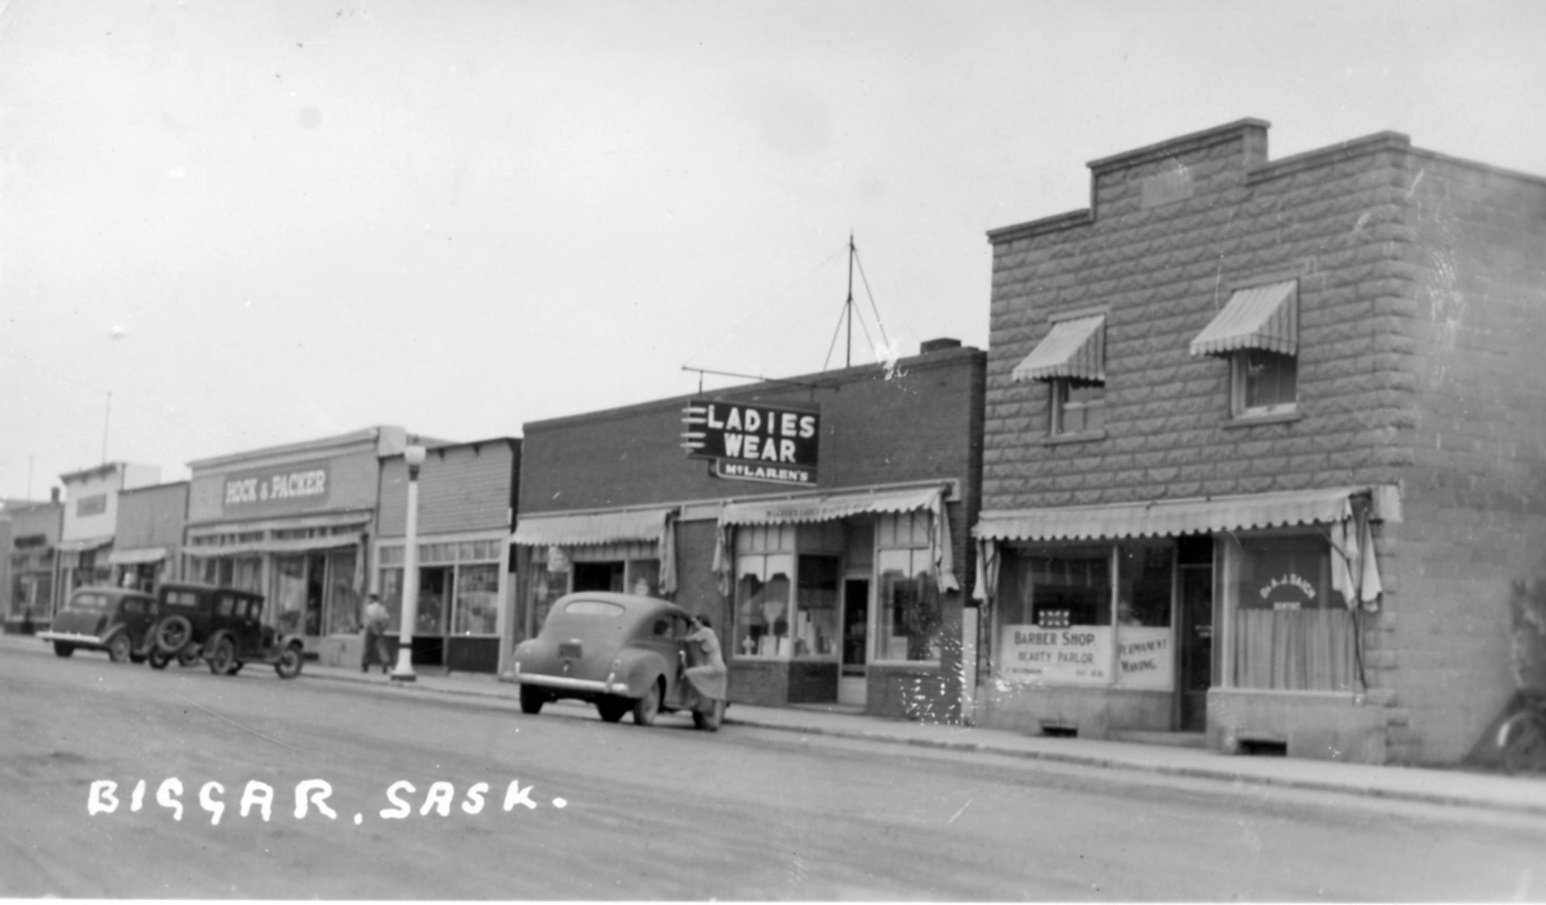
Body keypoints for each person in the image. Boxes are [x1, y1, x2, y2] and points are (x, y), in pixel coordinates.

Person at [683, 614, 727, 704]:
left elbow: (687, 640)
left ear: (701, 621)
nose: (695, 624)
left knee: (687, 673)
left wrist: (690, 626)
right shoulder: (709, 633)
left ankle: (692, 699)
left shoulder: (705, 631)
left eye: (696, 622)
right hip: (719, 667)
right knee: (716, 699)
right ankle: (699, 702)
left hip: (715, 666)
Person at [361, 593, 391, 674]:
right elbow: (387, 620)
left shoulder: (369, 608)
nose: (368, 600)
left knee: (367, 648)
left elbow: (368, 619)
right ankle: (385, 662)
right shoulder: (382, 608)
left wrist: (365, 626)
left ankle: (365, 665)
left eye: (369, 599)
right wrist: (381, 628)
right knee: (382, 648)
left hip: (370, 629)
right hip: (379, 629)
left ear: (373, 599)